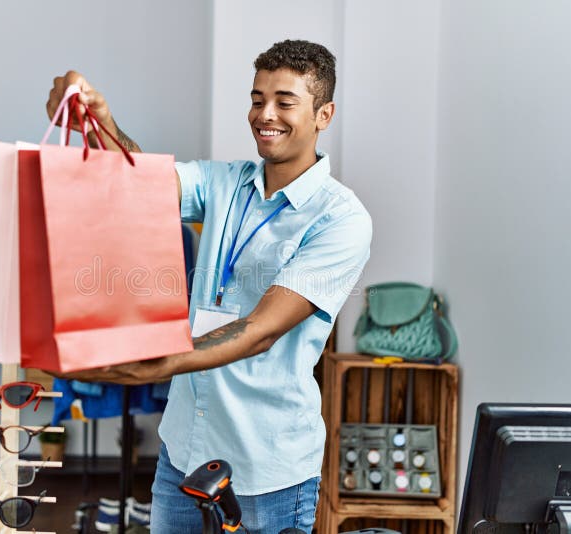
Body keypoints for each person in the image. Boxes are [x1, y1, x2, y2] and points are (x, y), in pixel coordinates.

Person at [46, 39, 372, 534]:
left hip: (265, 473)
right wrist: (101, 121)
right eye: (257, 98)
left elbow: (261, 330)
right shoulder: (224, 182)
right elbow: (140, 182)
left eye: (285, 102)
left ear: (324, 114)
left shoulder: (341, 219)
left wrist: (159, 362)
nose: (266, 114)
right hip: (183, 453)